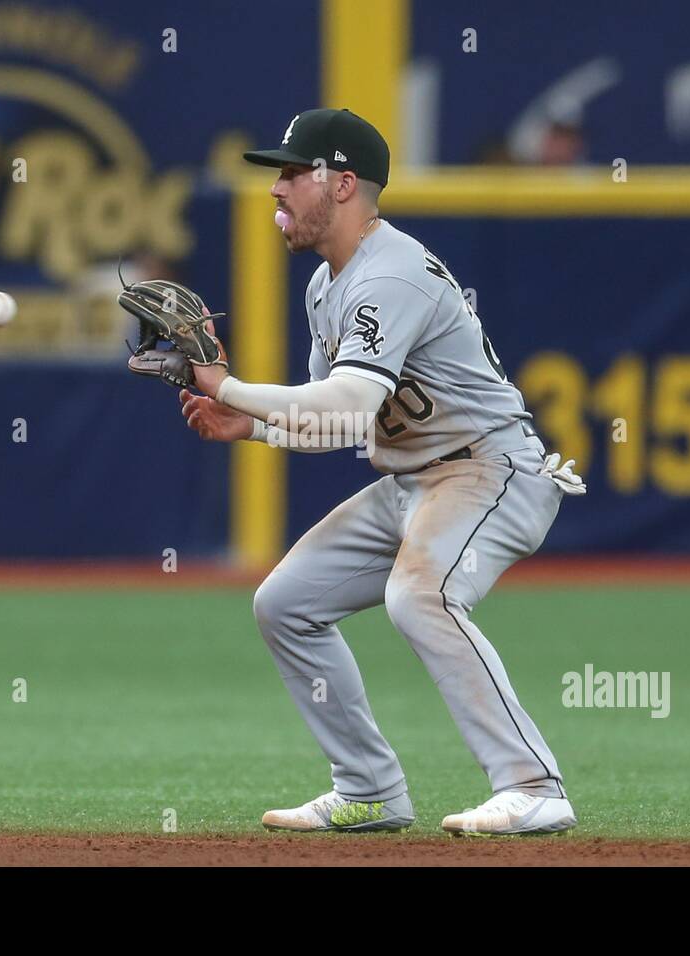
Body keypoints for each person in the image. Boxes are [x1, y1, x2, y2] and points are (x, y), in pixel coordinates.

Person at [178, 109, 586, 835]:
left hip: (492, 470)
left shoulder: (390, 272)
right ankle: (369, 788)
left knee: (417, 596)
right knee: (286, 603)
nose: (276, 189)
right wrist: (254, 425)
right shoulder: (324, 286)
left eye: (292, 173)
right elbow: (346, 422)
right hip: (414, 482)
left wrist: (227, 387)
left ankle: (534, 782)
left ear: (341, 185)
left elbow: (347, 396)